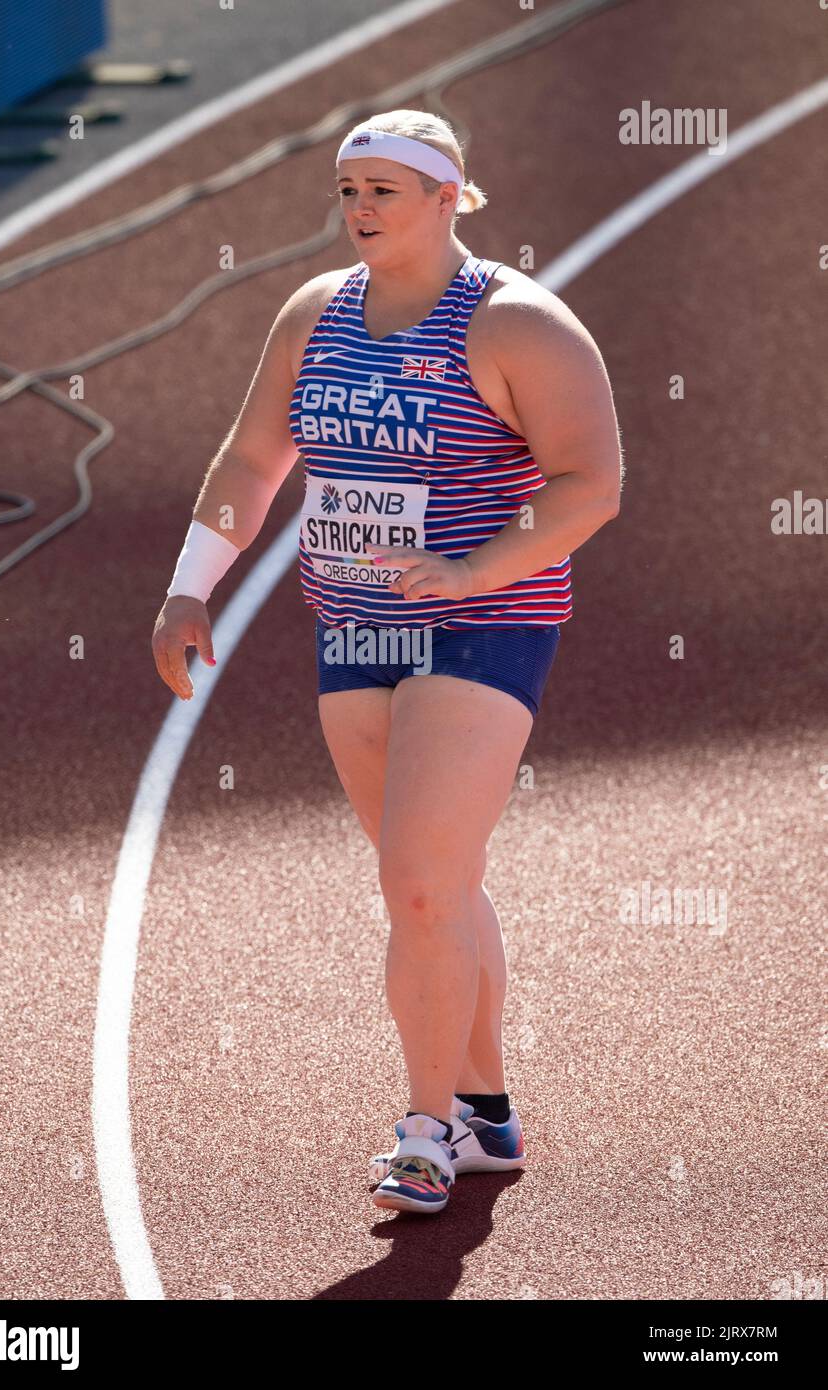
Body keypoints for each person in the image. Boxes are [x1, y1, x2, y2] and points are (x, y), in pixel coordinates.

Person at [152, 109, 622, 1216]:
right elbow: (256, 453)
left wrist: (471, 570)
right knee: (436, 888)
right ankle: (489, 1107)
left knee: (416, 880)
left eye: (385, 191)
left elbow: (590, 485)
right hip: (353, 624)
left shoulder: (519, 325)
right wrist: (188, 585)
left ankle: (426, 1130)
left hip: (484, 622)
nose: (360, 209)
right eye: (348, 188)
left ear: (451, 197)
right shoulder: (315, 314)